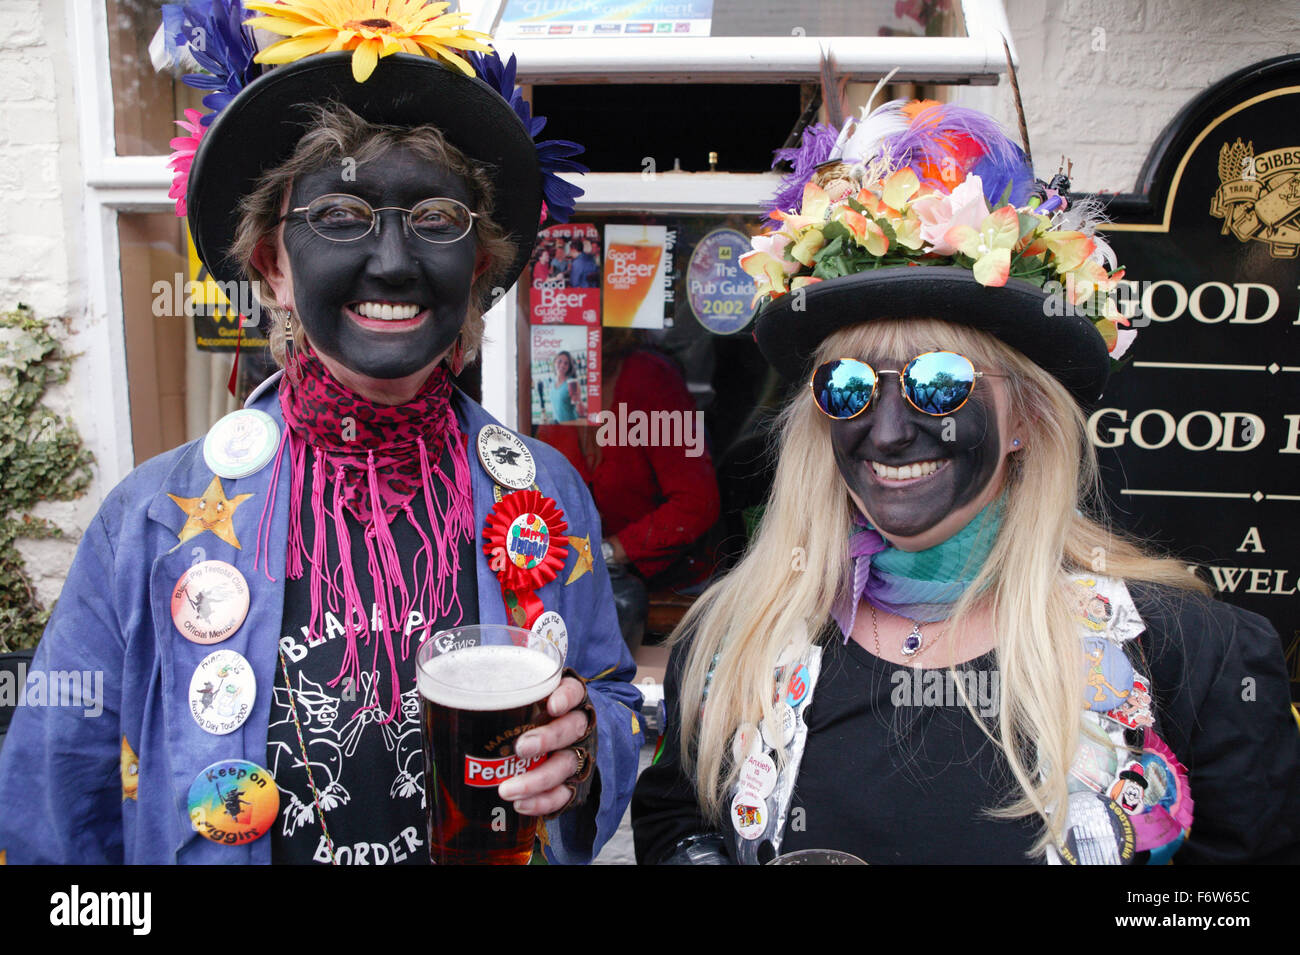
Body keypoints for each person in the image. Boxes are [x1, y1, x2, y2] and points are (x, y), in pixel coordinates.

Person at [0, 1, 641, 864]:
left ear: (479, 266)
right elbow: (51, 808)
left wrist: (591, 745)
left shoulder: (546, 491)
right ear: (271, 262)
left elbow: (614, 698)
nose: (391, 262)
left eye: (437, 220)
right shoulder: (149, 520)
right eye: (339, 216)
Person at [632, 99, 1300, 864]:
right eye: (847, 383)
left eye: (940, 381)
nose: (885, 432)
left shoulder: (1193, 663)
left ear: (1024, 417)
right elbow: (675, 819)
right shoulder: (734, 639)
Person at [549, 350, 583, 422]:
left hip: (570, 424)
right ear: (555, 362)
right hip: (557, 424)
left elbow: (580, 411)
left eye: (566, 363)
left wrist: (578, 400)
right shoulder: (552, 384)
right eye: (560, 361)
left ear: (569, 367)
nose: (562, 365)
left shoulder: (572, 384)